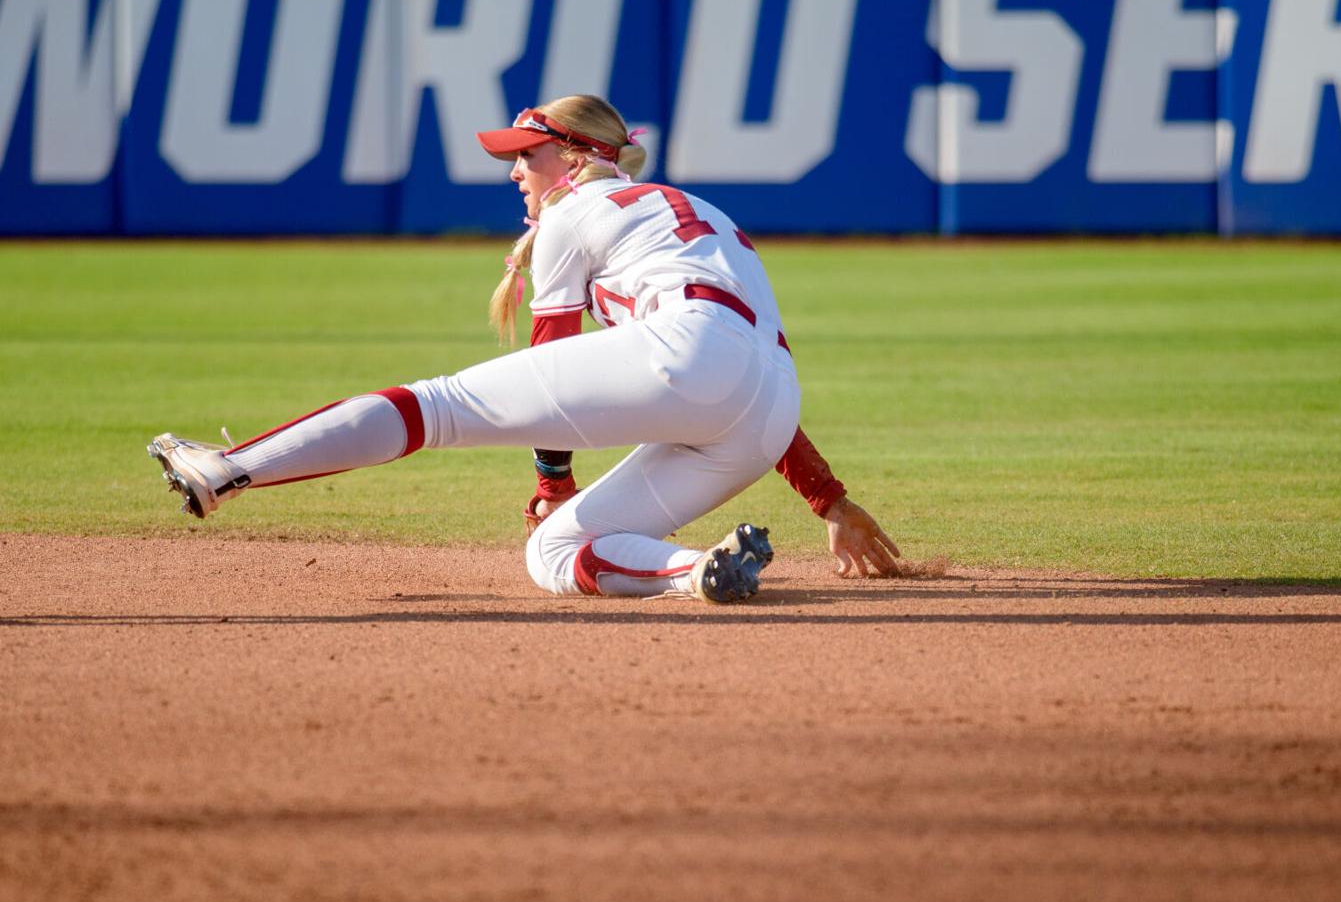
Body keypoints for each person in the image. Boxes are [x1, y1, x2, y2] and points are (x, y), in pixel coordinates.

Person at [147, 95, 900, 602]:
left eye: (527, 156)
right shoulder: (698, 211)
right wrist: (828, 500)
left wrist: (552, 485)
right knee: (553, 556)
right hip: (767, 404)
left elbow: (551, 357)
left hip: (693, 353)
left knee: (439, 406)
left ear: (574, 160)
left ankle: (231, 467)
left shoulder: (574, 209)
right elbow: (741, 368)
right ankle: (697, 571)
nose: (515, 172)